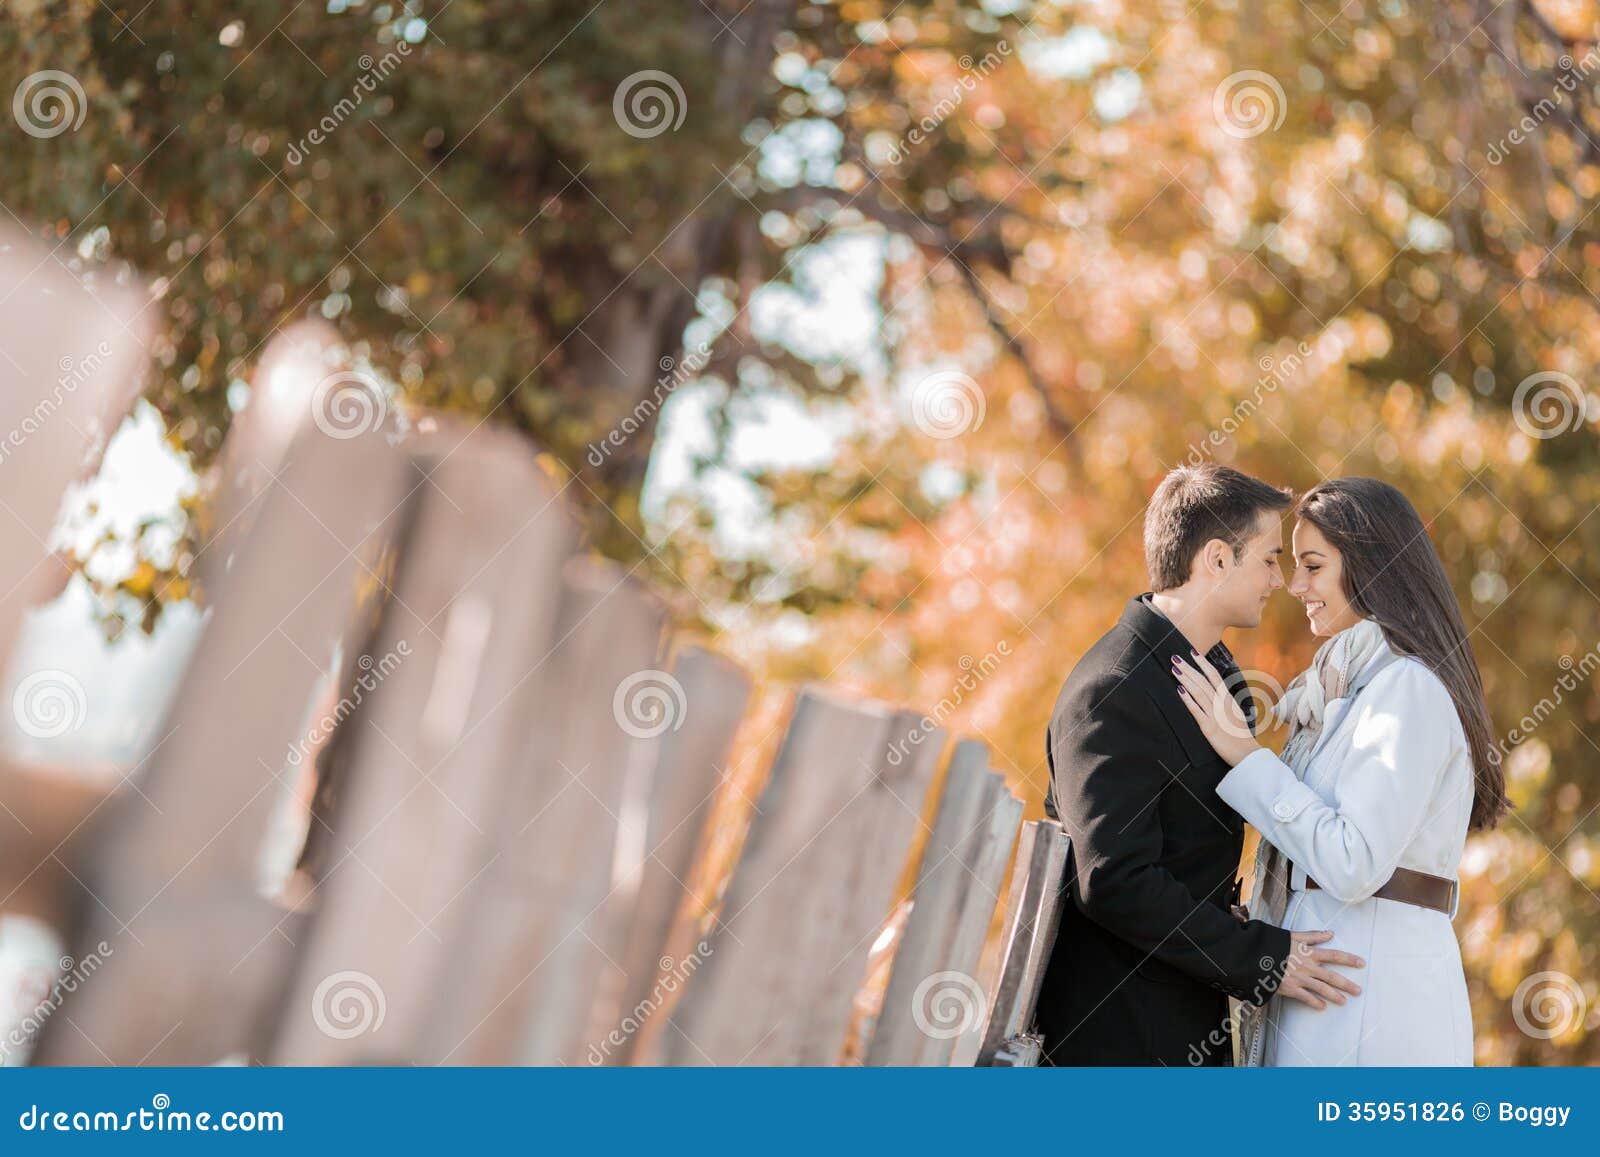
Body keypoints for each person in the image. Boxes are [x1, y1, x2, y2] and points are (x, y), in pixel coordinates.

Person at [1036, 464, 1365, 1066]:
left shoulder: (1215, 675)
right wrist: (1263, 957)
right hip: (1120, 1040)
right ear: (1216, 559)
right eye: (1268, 558)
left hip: (1183, 1021)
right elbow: (1114, 878)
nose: (1279, 579)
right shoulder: (1112, 689)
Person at [1174, 477, 1509, 1065]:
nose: (1295, 586)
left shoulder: (1407, 688)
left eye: (1313, 566)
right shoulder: (1342, 693)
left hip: (1372, 1004)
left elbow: (1354, 862)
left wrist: (1245, 754)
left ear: (1369, 567)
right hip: (1335, 991)